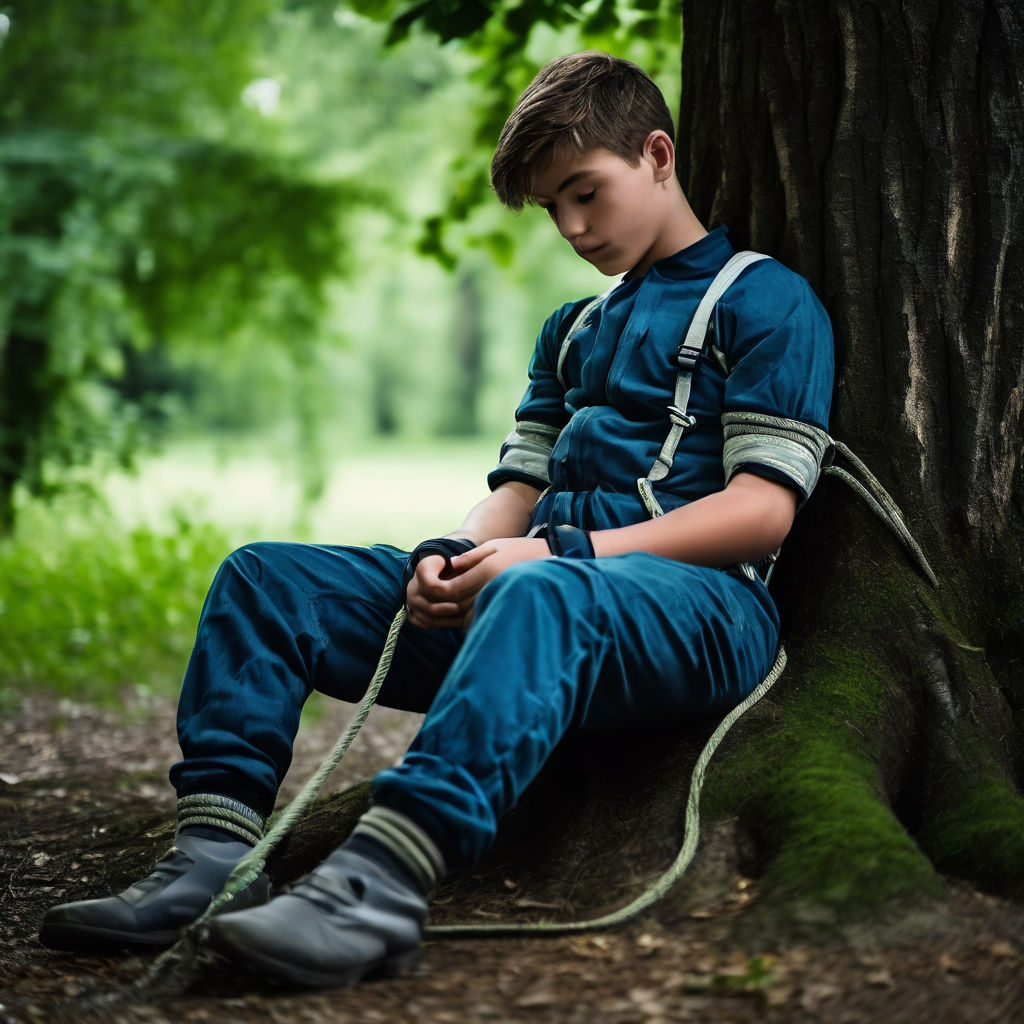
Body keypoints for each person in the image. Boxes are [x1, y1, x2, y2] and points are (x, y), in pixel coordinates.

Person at [39, 51, 834, 988]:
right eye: (553, 209)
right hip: (539, 593)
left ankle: (375, 891)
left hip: (701, 615)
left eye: (587, 192)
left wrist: (554, 555)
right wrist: (457, 551)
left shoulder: (766, 300)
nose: (573, 228)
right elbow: (518, 489)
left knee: (540, 590)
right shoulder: (571, 330)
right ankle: (214, 866)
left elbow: (761, 514)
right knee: (266, 578)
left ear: (657, 154)